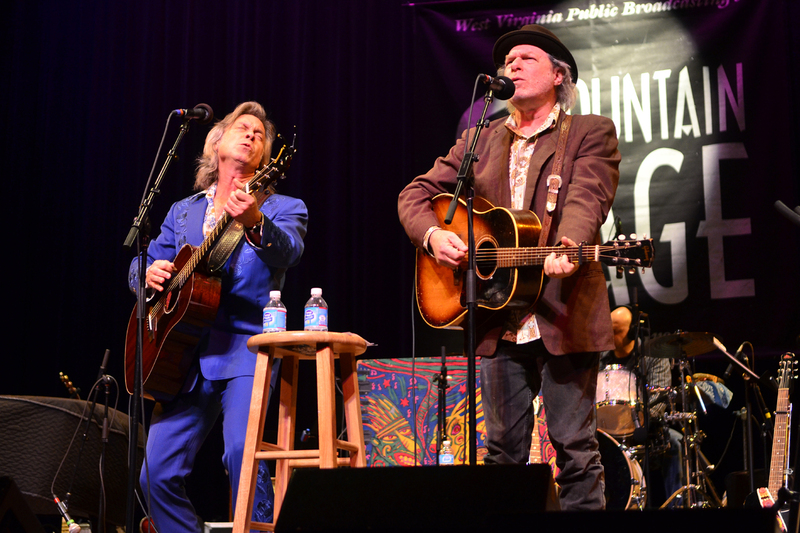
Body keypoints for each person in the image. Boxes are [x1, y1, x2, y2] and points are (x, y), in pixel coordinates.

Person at [398, 25, 620, 510]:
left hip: (563, 312)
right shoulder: (479, 140)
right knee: (501, 454)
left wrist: (570, 243)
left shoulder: (587, 131)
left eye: (525, 59)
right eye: (507, 62)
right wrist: (435, 236)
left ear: (559, 75)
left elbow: (588, 195)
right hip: (497, 315)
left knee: (575, 450)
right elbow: (414, 194)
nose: (511, 66)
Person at [128, 101, 307, 532]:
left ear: (265, 158)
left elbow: (291, 251)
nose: (250, 135)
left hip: (245, 346)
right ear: (217, 144)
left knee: (241, 457)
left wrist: (255, 221)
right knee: (155, 475)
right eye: (241, 128)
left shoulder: (283, 206)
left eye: (259, 134)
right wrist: (146, 275)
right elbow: (142, 264)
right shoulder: (182, 211)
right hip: (183, 356)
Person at [599, 305, 683, 504]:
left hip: (646, 430)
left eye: (616, 331)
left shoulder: (653, 356)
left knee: (676, 443)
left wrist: (636, 422)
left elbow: (660, 400)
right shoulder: (601, 357)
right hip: (607, 432)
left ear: (631, 332)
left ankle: (678, 512)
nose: (610, 336)